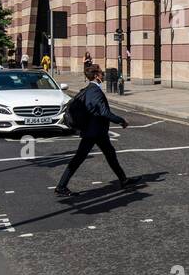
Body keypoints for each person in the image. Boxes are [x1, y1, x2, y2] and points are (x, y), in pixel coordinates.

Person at [54, 64, 135, 196]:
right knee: (79, 158)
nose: (103, 75)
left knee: (110, 154)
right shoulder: (94, 91)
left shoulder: (89, 89)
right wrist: (121, 120)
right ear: (97, 76)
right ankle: (61, 186)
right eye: (102, 73)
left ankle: (124, 180)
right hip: (94, 131)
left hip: (96, 131)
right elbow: (104, 112)